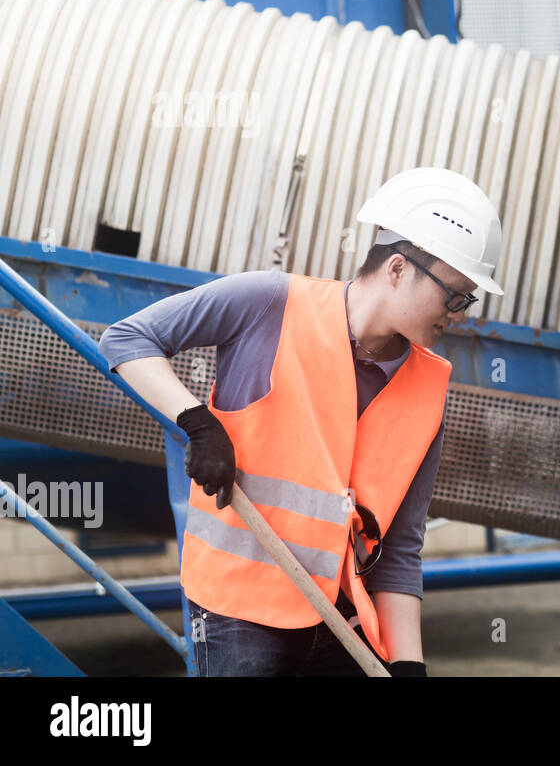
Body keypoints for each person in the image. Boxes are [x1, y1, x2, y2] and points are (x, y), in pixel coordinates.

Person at [98, 168, 504, 676]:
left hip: (342, 623)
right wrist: (197, 421)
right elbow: (127, 340)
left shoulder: (428, 388)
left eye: (469, 299)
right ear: (398, 269)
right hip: (238, 609)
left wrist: (408, 664)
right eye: (456, 295)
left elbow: (400, 549)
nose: (461, 313)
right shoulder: (270, 303)